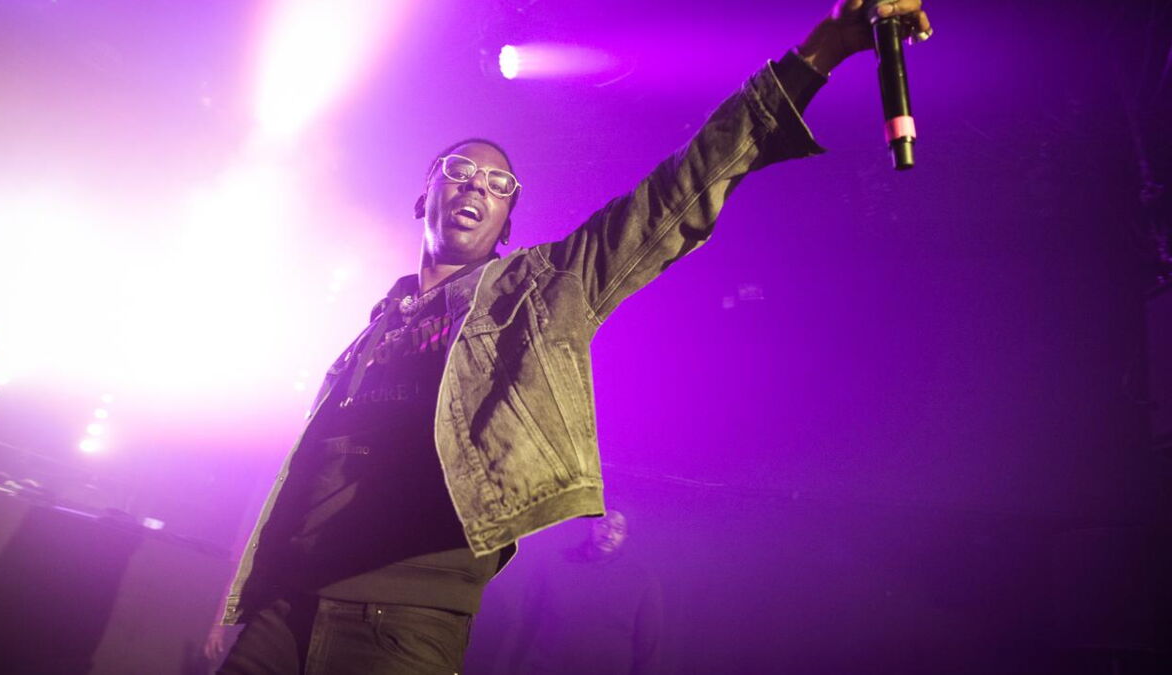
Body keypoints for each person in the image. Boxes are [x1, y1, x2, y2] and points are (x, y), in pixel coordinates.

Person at [214, 1, 934, 673]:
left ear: (508, 222)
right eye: (460, 171)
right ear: (423, 193)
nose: (477, 186)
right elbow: (301, 475)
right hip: (284, 606)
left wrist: (820, 51)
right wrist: (238, 602)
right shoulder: (369, 334)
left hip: (402, 615)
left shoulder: (538, 290)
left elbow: (675, 193)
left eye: (499, 184)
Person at [496, 510, 663, 675]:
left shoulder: (641, 579)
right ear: (591, 524)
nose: (609, 535)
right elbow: (526, 624)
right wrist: (511, 667)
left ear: (626, 535)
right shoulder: (554, 564)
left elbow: (647, 648)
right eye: (603, 524)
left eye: (618, 529)